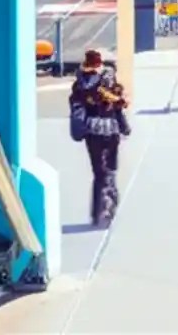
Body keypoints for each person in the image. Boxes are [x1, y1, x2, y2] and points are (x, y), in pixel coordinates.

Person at [68, 50, 130, 226]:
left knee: (98, 172)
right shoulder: (109, 81)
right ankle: (110, 203)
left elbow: (76, 107)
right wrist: (125, 127)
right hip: (110, 131)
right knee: (110, 169)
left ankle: (97, 213)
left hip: (92, 132)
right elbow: (118, 107)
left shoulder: (78, 85)